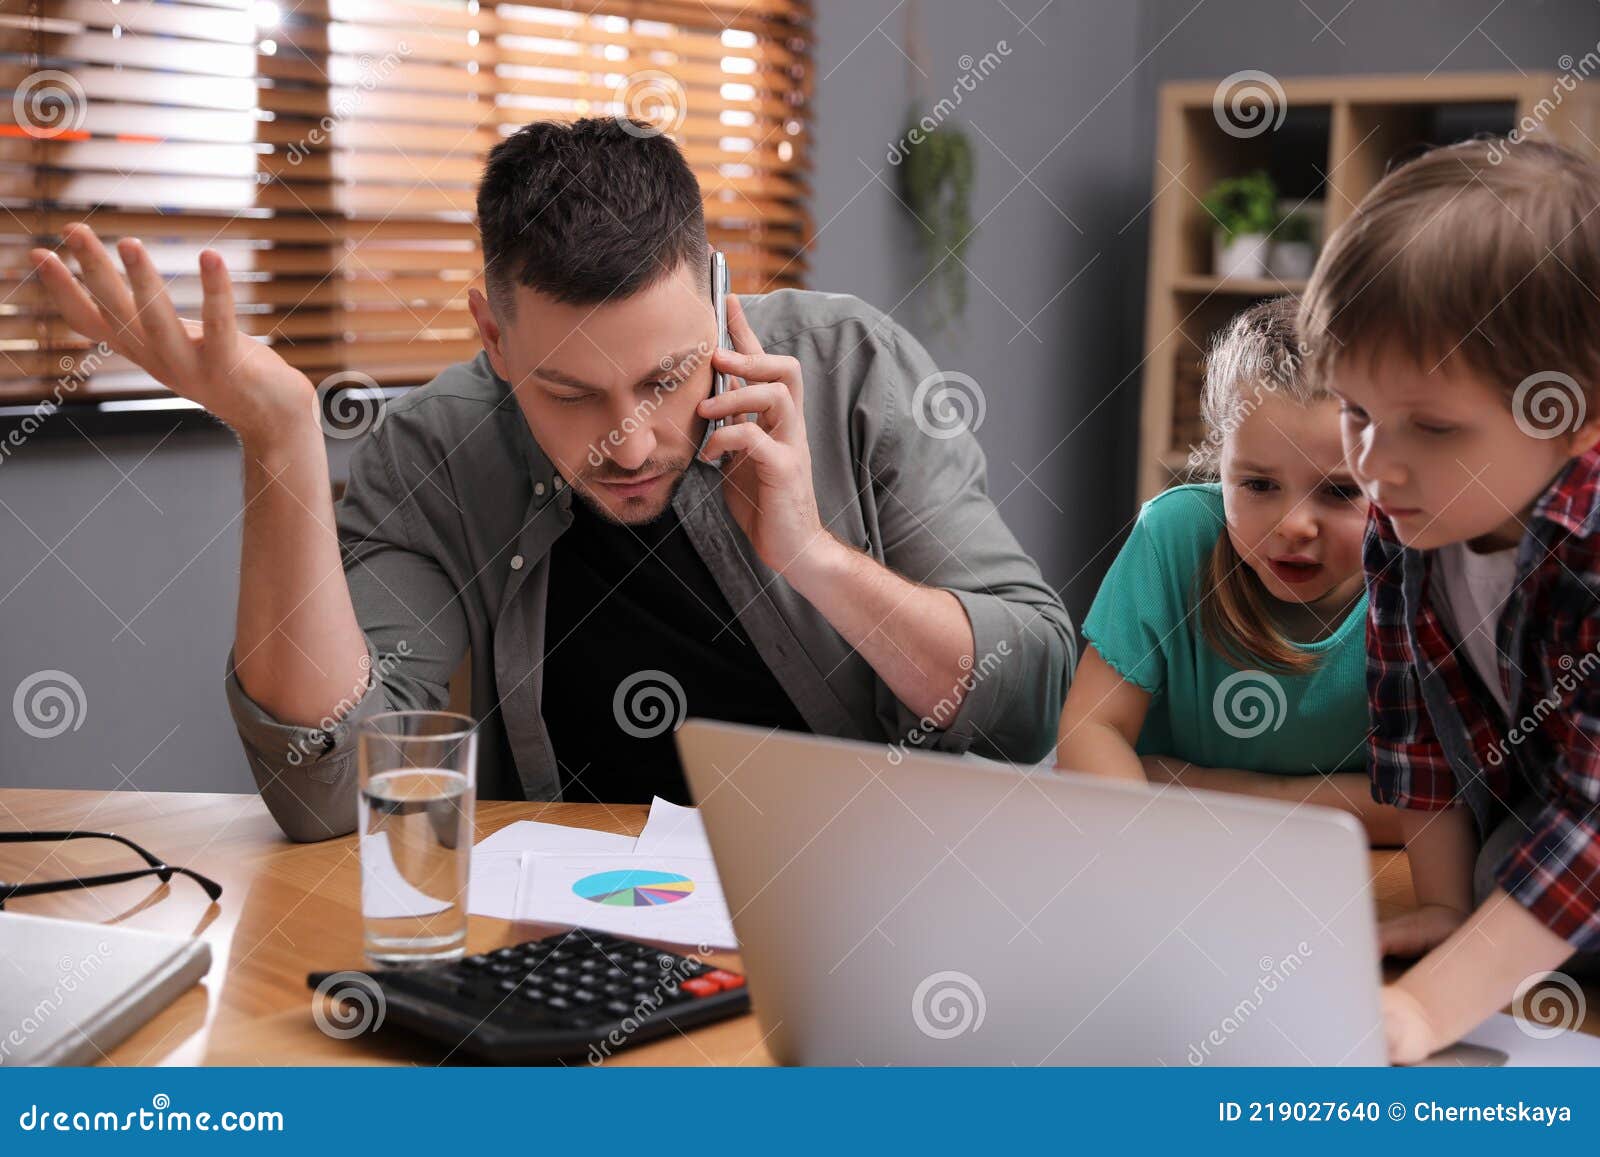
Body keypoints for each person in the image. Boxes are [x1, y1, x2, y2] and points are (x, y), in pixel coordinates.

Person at [30, 118, 1074, 841]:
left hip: (861, 904)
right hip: (576, 933)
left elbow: (1027, 695)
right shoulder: (435, 450)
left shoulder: (849, 365)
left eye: (667, 377)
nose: (627, 440)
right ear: (490, 332)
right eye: (567, 391)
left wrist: (812, 554)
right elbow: (324, 784)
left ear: (715, 297)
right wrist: (280, 435)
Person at [1299, 138, 1600, 1063]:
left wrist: (1427, 1009)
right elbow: (1411, 733)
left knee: (1530, 871)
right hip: (1542, 817)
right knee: (1495, 864)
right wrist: (1439, 909)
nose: (1374, 465)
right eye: (1355, 412)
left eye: (1431, 426)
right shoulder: (1404, 520)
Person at [1056, 297, 1395, 843]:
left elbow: (1432, 804)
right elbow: (1090, 729)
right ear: (1220, 467)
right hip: (1167, 849)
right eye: (1258, 485)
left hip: (1339, 872)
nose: (1294, 525)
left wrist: (1210, 789)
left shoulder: (1421, 570)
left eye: (1339, 491)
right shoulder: (1175, 535)